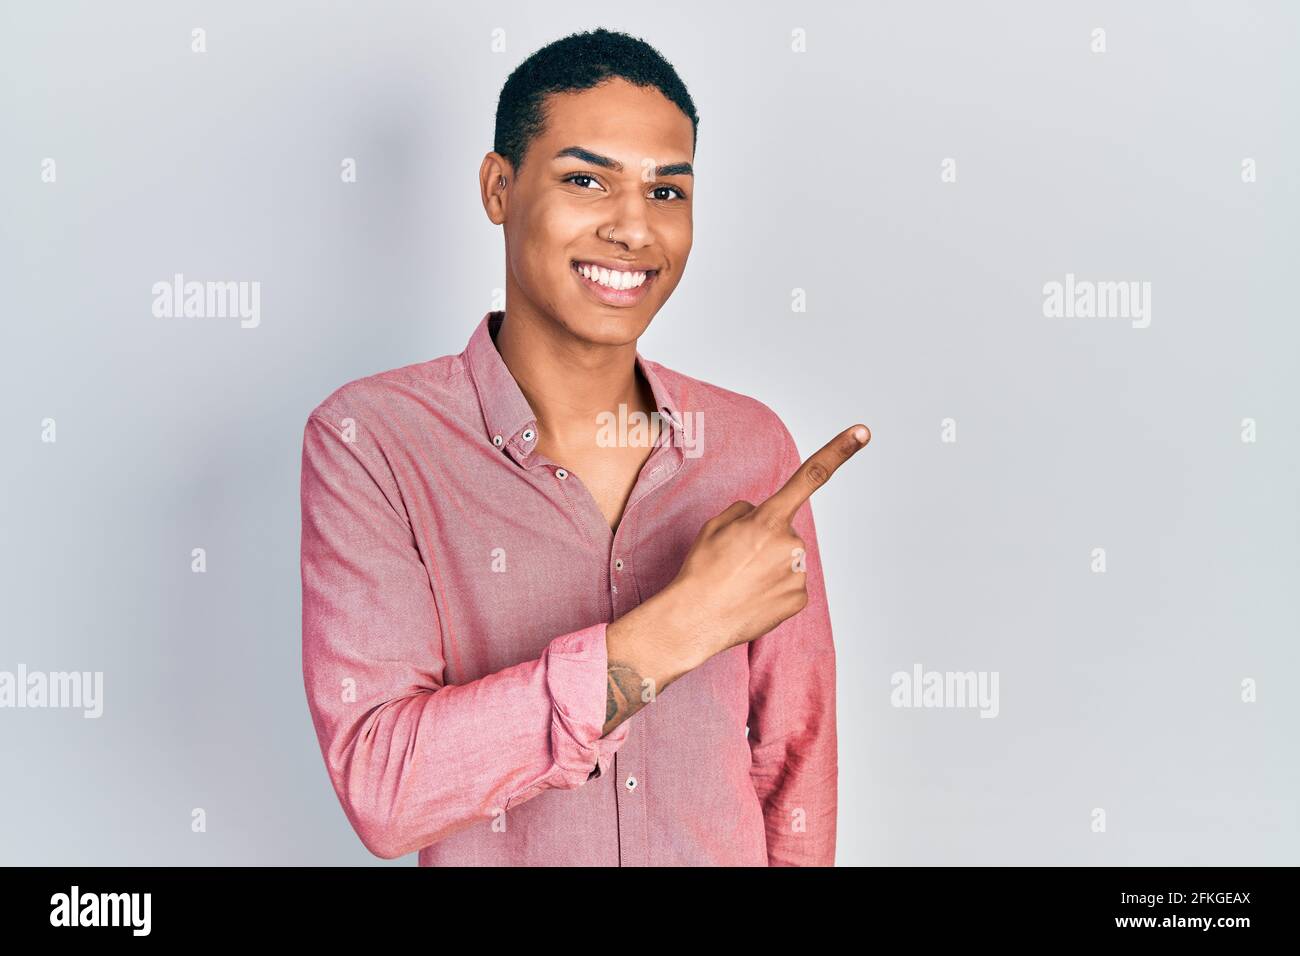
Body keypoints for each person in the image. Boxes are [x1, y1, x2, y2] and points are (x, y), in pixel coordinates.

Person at [299, 27, 869, 866]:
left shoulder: (750, 446)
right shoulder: (373, 441)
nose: (634, 229)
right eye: (585, 180)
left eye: (667, 193)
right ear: (499, 188)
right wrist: (677, 628)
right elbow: (387, 788)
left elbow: (796, 763)